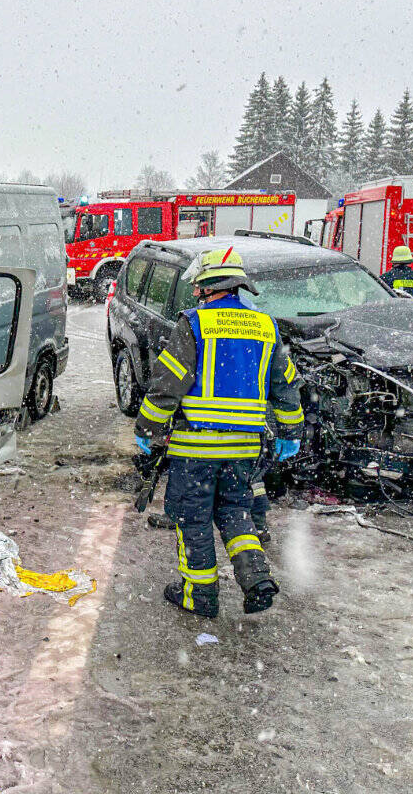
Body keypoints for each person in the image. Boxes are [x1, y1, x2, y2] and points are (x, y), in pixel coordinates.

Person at [134, 247, 303, 617]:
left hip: (195, 448)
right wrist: (292, 431)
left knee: (193, 520)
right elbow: (285, 384)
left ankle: (200, 597)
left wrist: (147, 426)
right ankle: (256, 579)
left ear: (206, 286)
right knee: (236, 513)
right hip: (244, 449)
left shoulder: (194, 323)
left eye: (198, 287)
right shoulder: (265, 325)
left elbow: (168, 384)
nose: (196, 293)